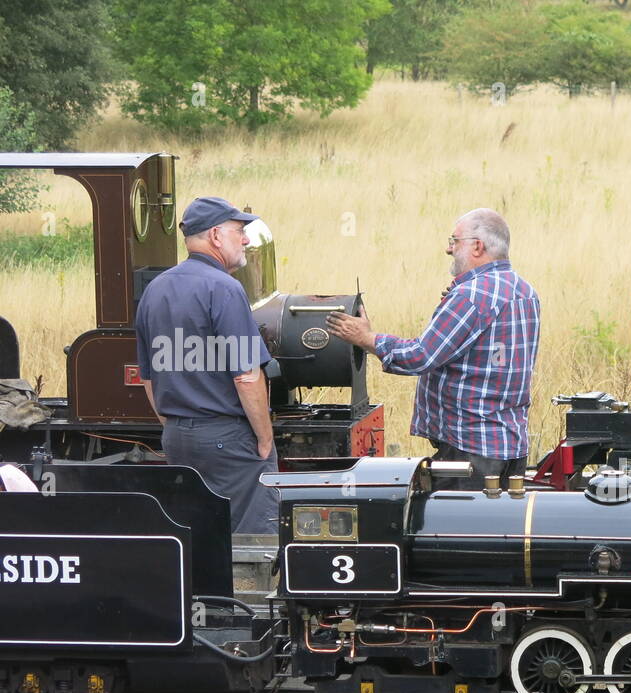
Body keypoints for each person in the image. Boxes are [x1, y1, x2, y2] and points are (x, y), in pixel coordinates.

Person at [325, 208, 540, 488]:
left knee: (454, 529)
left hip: (470, 448)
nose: (448, 249)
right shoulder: (525, 291)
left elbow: (421, 356)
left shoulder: (472, 294)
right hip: (509, 445)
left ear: (477, 246)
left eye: (455, 241)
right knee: (494, 529)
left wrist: (368, 339)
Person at [135, 196, 278, 533]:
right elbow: (246, 376)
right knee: (250, 539)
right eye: (239, 231)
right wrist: (265, 438)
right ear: (216, 235)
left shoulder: (155, 289)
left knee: (197, 533)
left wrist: (175, 425)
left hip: (177, 437)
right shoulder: (225, 288)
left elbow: (147, 376)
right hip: (227, 439)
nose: (244, 239)